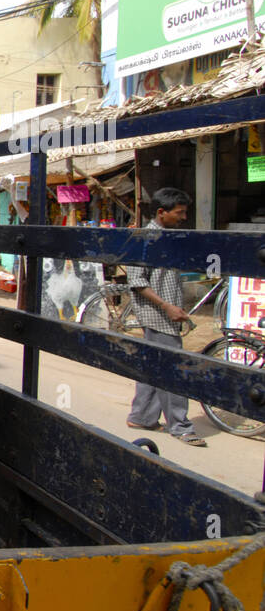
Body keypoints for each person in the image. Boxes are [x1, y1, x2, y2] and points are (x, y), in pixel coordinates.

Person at [126, 188, 206, 447]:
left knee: (155, 365)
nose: (183, 217)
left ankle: (142, 416)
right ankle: (181, 426)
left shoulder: (167, 238)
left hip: (164, 313)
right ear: (162, 213)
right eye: (179, 213)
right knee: (172, 369)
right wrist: (168, 307)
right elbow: (137, 281)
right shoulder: (145, 240)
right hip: (158, 314)